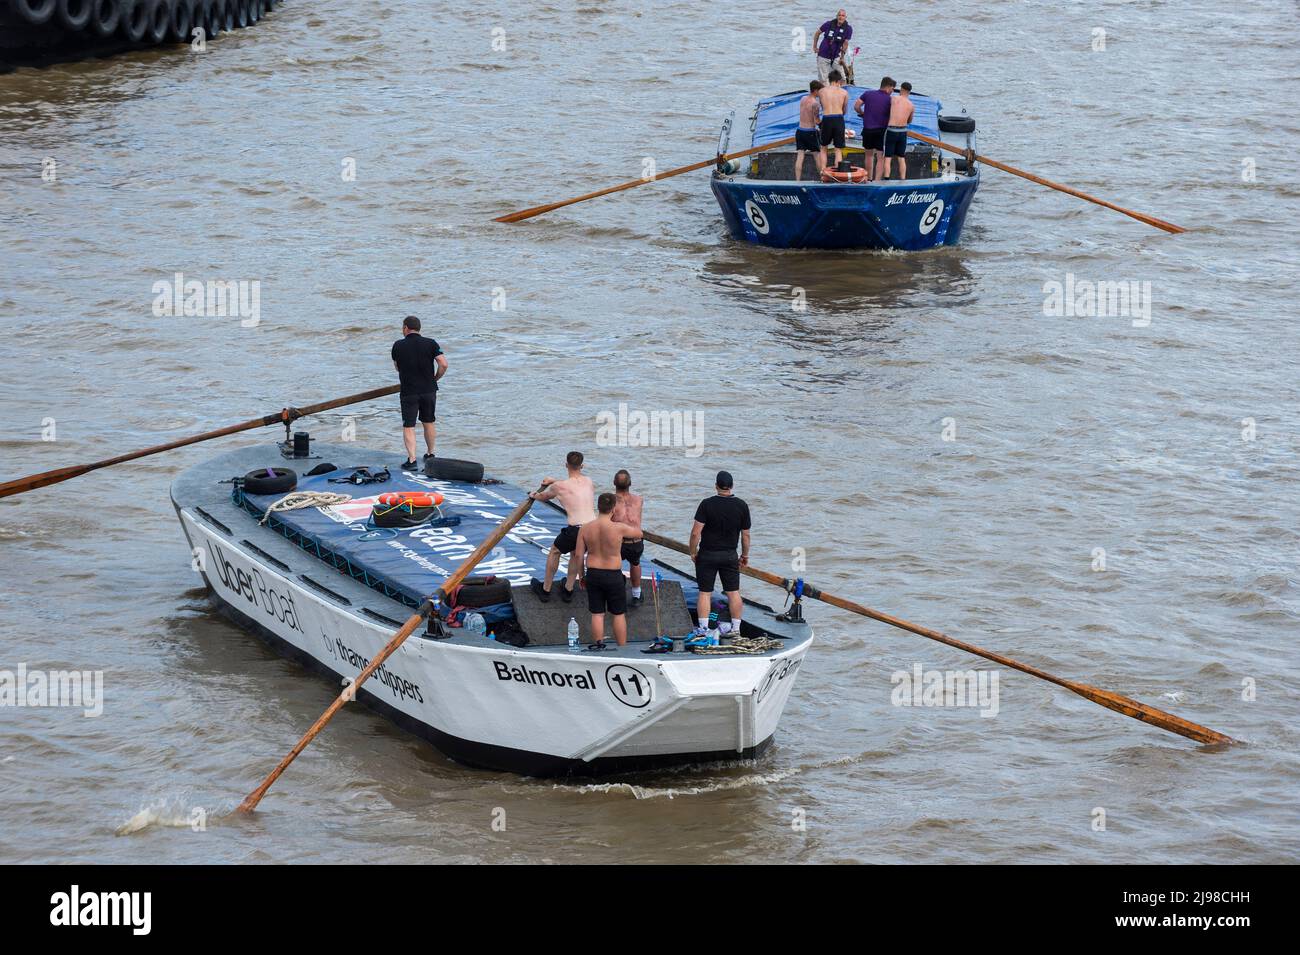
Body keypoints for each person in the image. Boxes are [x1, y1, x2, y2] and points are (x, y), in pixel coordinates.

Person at [572, 493, 640, 649]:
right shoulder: (619, 528)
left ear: (598, 507)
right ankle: (622, 648)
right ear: (614, 509)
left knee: (597, 613)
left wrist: (582, 576)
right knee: (618, 613)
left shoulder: (585, 528)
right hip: (613, 574)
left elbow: (578, 554)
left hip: (593, 573)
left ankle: (599, 645)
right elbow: (639, 533)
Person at [689, 470, 751, 637]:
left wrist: (692, 552)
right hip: (730, 555)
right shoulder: (742, 506)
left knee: (705, 592)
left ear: (716, 486)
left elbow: (696, 533)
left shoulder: (706, 504)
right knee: (733, 592)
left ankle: (703, 629)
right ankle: (736, 629)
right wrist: (744, 556)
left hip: (707, 554)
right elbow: (745, 535)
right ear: (732, 486)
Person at [528, 451, 596, 603]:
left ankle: (545, 590)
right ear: (582, 466)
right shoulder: (589, 481)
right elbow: (572, 486)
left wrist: (534, 494)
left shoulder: (560, 486)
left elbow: (542, 496)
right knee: (574, 553)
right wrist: (554, 481)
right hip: (593, 528)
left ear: (566, 465)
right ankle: (568, 589)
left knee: (555, 551)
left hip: (577, 529)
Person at [391, 315, 447, 470]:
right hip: (429, 389)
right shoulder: (431, 343)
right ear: (419, 328)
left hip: (409, 391)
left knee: (409, 425)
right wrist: (435, 377)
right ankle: (430, 454)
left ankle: (412, 460)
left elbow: (397, 367)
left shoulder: (398, 345)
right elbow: (443, 364)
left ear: (405, 328)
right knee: (428, 422)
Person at [611, 469, 644, 607]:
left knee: (613, 566)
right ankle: (636, 594)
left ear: (614, 483)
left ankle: (616, 591)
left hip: (618, 541)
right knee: (635, 563)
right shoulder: (639, 500)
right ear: (630, 483)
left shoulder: (611, 500)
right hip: (636, 541)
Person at [854, 76, 895, 181]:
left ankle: (868, 179)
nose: (892, 92)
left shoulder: (868, 94)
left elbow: (856, 106)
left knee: (868, 155)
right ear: (888, 87)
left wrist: (862, 113)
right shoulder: (889, 99)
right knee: (880, 157)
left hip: (867, 129)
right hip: (881, 130)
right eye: (892, 89)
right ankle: (877, 180)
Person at [817, 70, 850, 172]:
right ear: (838, 80)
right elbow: (844, 110)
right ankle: (837, 173)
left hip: (826, 118)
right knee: (838, 149)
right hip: (838, 118)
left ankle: (823, 172)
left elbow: (822, 107)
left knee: (823, 148)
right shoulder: (844, 92)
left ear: (829, 79)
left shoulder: (821, 91)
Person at [883, 81, 915, 181]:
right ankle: (903, 180)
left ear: (901, 89)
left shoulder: (894, 99)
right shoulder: (911, 105)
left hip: (892, 130)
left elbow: (885, 110)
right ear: (909, 92)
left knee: (888, 157)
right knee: (901, 157)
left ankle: (887, 179)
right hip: (903, 132)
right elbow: (909, 120)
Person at [794, 80, 824, 181]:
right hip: (810, 132)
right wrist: (823, 125)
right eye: (820, 91)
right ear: (816, 91)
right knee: (816, 155)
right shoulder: (815, 104)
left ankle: (797, 180)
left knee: (800, 156)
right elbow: (816, 120)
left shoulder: (803, 98)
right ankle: (822, 178)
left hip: (800, 131)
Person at [812, 10, 852, 85]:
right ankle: (826, 94)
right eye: (839, 15)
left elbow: (845, 43)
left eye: (843, 15)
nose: (841, 17)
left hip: (836, 56)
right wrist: (814, 47)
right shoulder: (828, 24)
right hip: (823, 55)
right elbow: (817, 33)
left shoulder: (848, 29)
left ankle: (841, 94)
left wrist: (842, 57)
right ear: (837, 16)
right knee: (824, 80)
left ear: (845, 17)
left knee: (843, 78)